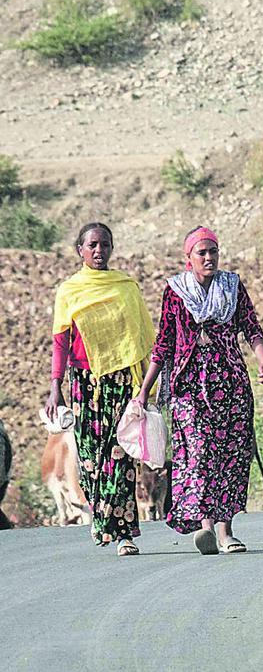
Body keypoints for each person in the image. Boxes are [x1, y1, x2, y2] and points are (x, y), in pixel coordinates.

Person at [137, 226, 263, 555]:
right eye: (202, 253)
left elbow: (251, 328)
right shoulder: (176, 292)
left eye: (213, 251)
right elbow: (164, 344)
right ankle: (206, 528)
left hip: (230, 384)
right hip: (187, 387)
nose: (209, 258)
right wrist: (144, 391)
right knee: (196, 454)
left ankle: (226, 531)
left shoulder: (232, 287)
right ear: (189, 259)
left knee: (229, 456)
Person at [46, 223, 156, 555]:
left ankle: (125, 534)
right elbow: (60, 343)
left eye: (105, 245)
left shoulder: (125, 288)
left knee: (120, 459)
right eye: (92, 245)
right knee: (93, 460)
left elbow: (139, 338)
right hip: (83, 385)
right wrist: (56, 386)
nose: (99, 251)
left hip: (123, 382)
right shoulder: (69, 291)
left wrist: (145, 386)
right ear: (80, 250)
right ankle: (102, 522)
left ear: (111, 248)